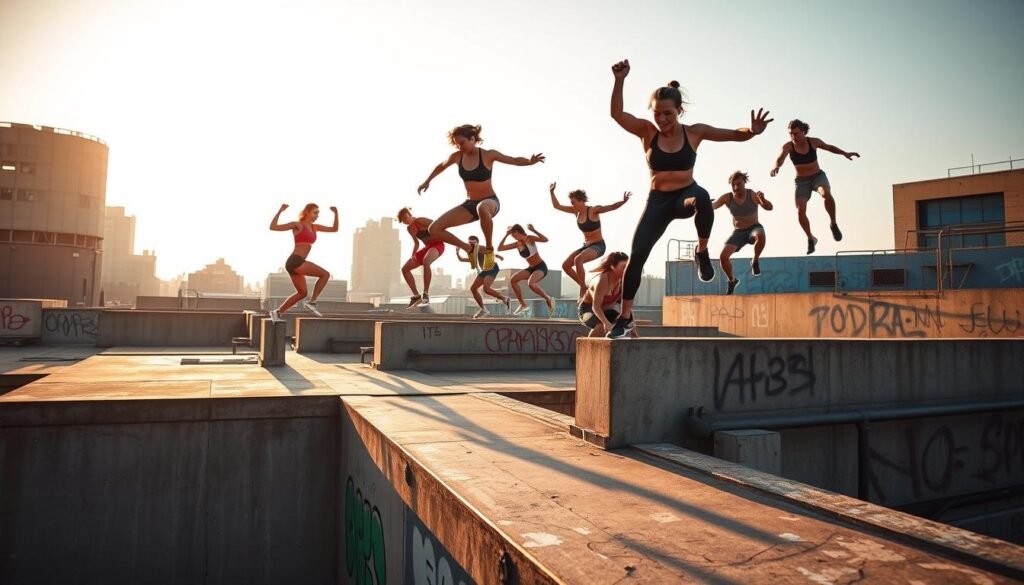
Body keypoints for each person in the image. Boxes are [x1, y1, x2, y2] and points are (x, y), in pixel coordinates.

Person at [607, 58, 772, 338]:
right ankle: (624, 318)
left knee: (703, 198)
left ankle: (702, 251)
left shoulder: (694, 132)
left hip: (685, 196)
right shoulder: (647, 133)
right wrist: (619, 80)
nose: (661, 120)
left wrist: (752, 131)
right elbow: (618, 115)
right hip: (658, 202)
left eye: (668, 114)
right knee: (636, 258)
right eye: (657, 114)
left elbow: (734, 134)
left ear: (679, 111)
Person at [417, 124, 545, 271]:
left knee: (482, 207)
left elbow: (514, 160)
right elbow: (441, 166)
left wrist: (529, 161)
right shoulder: (457, 157)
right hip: (469, 205)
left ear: (472, 139)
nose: (460, 147)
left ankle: (489, 250)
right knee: (434, 229)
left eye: (462, 143)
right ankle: (469, 249)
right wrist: (427, 181)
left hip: (490, 202)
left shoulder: (488, 155)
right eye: (457, 145)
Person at [770, 119, 859, 254]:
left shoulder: (813, 142)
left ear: (803, 132)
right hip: (801, 182)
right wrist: (776, 166)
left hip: (817, 177)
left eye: (796, 134)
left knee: (826, 194)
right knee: (800, 210)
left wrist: (844, 153)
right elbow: (780, 157)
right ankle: (811, 239)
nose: (793, 137)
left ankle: (833, 224)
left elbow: (829, 147)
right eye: (791, 134)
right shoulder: (788, 146)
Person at [549, 182, 632, 297]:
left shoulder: (593, 211)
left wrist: (623, 201)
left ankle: (583, 290)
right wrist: (551, 192)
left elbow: (611, 207)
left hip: (598, 246)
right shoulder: (575, 212)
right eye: (571, 203)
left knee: (578, 260)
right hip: (586, 246)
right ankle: (585, 287)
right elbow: (557, 206)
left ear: (582, 201)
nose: (572, 205)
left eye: (574, 202)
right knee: (566, 265)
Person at [268, 202, 338, 321]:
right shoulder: (298, 225)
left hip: (296, 262)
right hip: (295, 261)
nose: (317, 216)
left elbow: (334, 229)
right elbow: (273, 227)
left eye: (318, 213)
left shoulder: (315, 227)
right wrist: (280, 210)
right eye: (315, 213)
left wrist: (336, 213)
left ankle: (278, 312)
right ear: (307, 212)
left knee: (302, 293)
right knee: (325, 274)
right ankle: (312, 302)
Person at [712, 171, 774, 295]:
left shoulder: (752, 195)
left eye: (739, 184)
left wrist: (762, 199)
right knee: (723, 257)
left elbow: (769, 207)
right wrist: (705, 204)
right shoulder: (727, 198)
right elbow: (713, 205)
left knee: (760, 234)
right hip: (738, 233)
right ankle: (732, 280)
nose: (736, 188)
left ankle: (755, 260)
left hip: (753, 228)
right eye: (733, 185)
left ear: (744, 182)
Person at [498, 223, 555, 316]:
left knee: (531, 283)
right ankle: (523, 304)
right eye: (512, 236)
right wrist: (506, 235)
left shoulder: (529, 238)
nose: (514, 238)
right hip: (531, 268)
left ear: (518, 232)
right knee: (513, 280)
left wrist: (534, 230)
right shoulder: (517, 244)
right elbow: (500, 248)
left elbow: (545, 240)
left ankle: (548, 298)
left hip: (541, 267)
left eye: (514, 235)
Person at [397, 207, 445, 309]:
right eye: (403, 221)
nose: (406, 221)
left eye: (406, 218)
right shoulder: (409, 229)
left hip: (438, 245)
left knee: (426, 261)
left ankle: (426, 293)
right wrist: (413, 255)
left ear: (410, 215)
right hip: (427, 248)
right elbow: (416, 243)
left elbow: (438, 225)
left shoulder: (420, 220)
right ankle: (416, 296)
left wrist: (426, 229)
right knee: (405, 269)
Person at [456, 235, 512, 318]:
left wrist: (497, 256)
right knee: (473, 288)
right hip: (485, 271)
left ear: (477, 243)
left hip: (492, 268)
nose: (471, 245)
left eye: (473, 243)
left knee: (486, 289)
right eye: (470, 243)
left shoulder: (480, 248)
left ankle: (505, 299)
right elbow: (461, 259)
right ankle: (483, 309)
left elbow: (488, 252)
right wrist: (457, 252)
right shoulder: (473, 253)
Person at [578, 252, 632, 338]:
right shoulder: (601, 280)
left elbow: (627, 305)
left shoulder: (623, 282)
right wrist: (607, 324)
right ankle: (590, 348)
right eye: (624, 267)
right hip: (588, 312)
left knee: (624, 324)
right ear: (612, 266)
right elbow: (596, 307)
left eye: (628, 267)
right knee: (601, 324)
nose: (627, 270)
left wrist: (632, 325)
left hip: (606, 311)